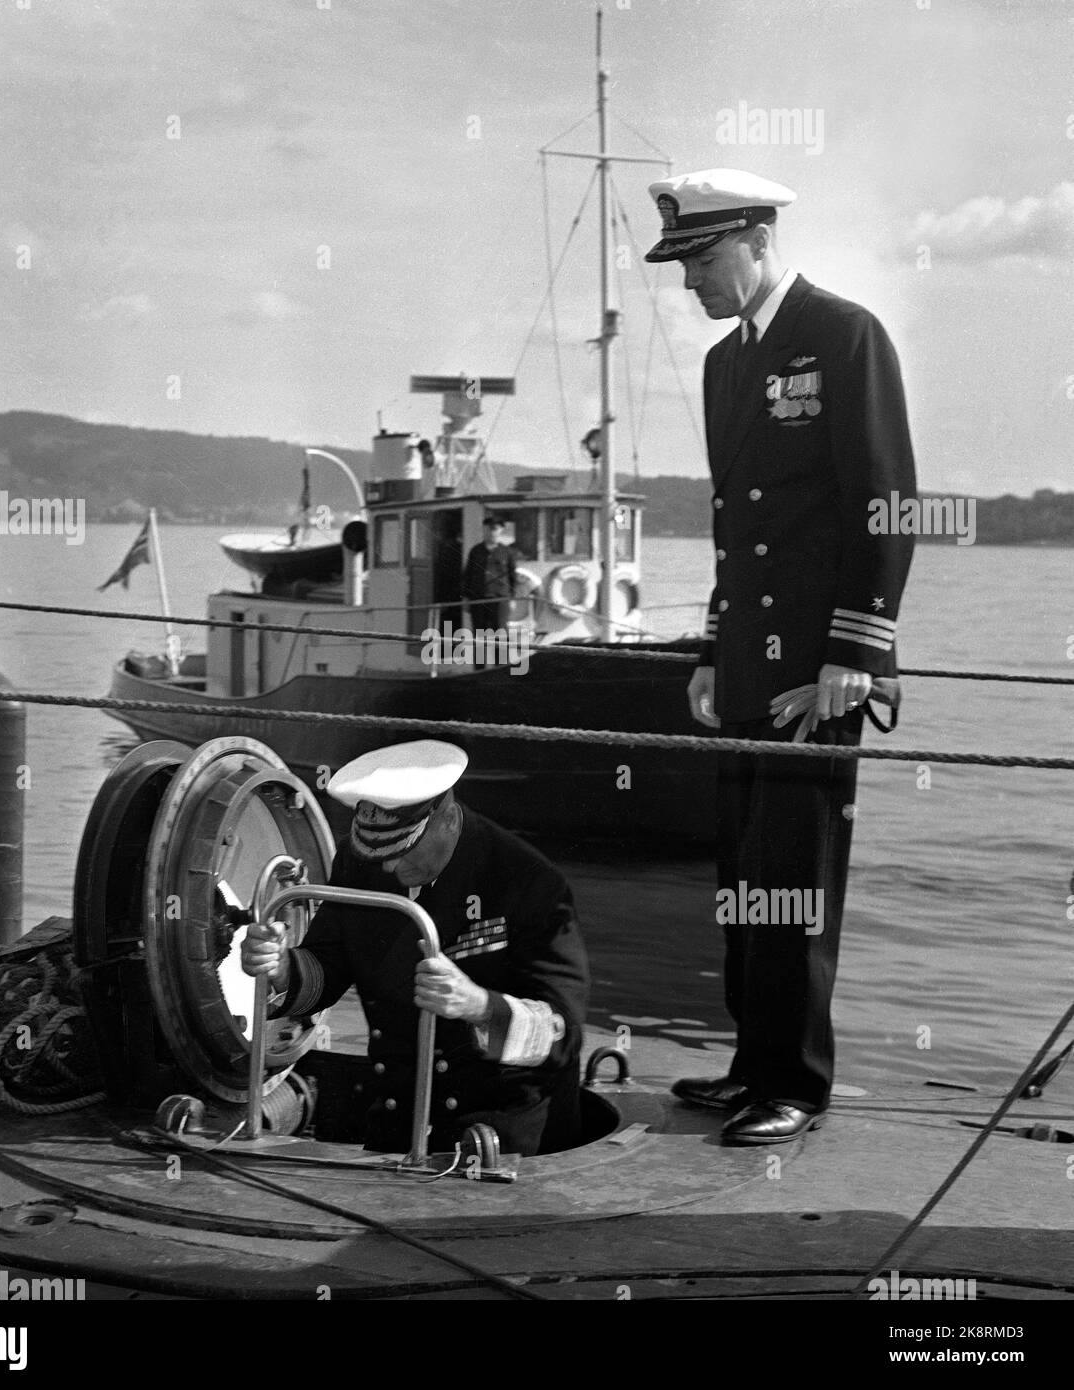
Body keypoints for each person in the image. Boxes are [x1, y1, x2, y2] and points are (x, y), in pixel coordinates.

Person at [643, 168, 916, 1145]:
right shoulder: (725, 366)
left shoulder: (845, 337)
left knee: (795, 880)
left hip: (815, 675)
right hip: (752, 671)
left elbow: (885, 504)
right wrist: (715, 652)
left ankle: (795, 1080)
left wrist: (857, 649)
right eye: (682, 267)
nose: (691, 286)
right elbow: (736, 532)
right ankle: (750, 1061)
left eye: (703, 260)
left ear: (756, 238)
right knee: (745, 875)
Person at [240, 740, 590, 1156]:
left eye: (404, 849)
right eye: (380, 853)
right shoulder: (362, 863)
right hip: (399, 1120)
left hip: (502, 1136)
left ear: (448, 819)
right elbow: (329, 964)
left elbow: (562, 1035)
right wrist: (282, 967)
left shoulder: (528, 883)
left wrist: (478, 1005)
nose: (389, 867)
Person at [461, 514, 518, 634]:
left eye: (494, 529)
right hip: (478, 599)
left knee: (501, 633)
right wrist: (466, 598)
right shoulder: (475, 551)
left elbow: (513, 577)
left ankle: (501, 654)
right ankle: (481, 654)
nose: (491, 532)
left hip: (500, 599)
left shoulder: (508, 552)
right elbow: (468, 575)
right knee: (479, 633)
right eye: (487, 529)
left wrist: (512, 599)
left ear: (501, 530)